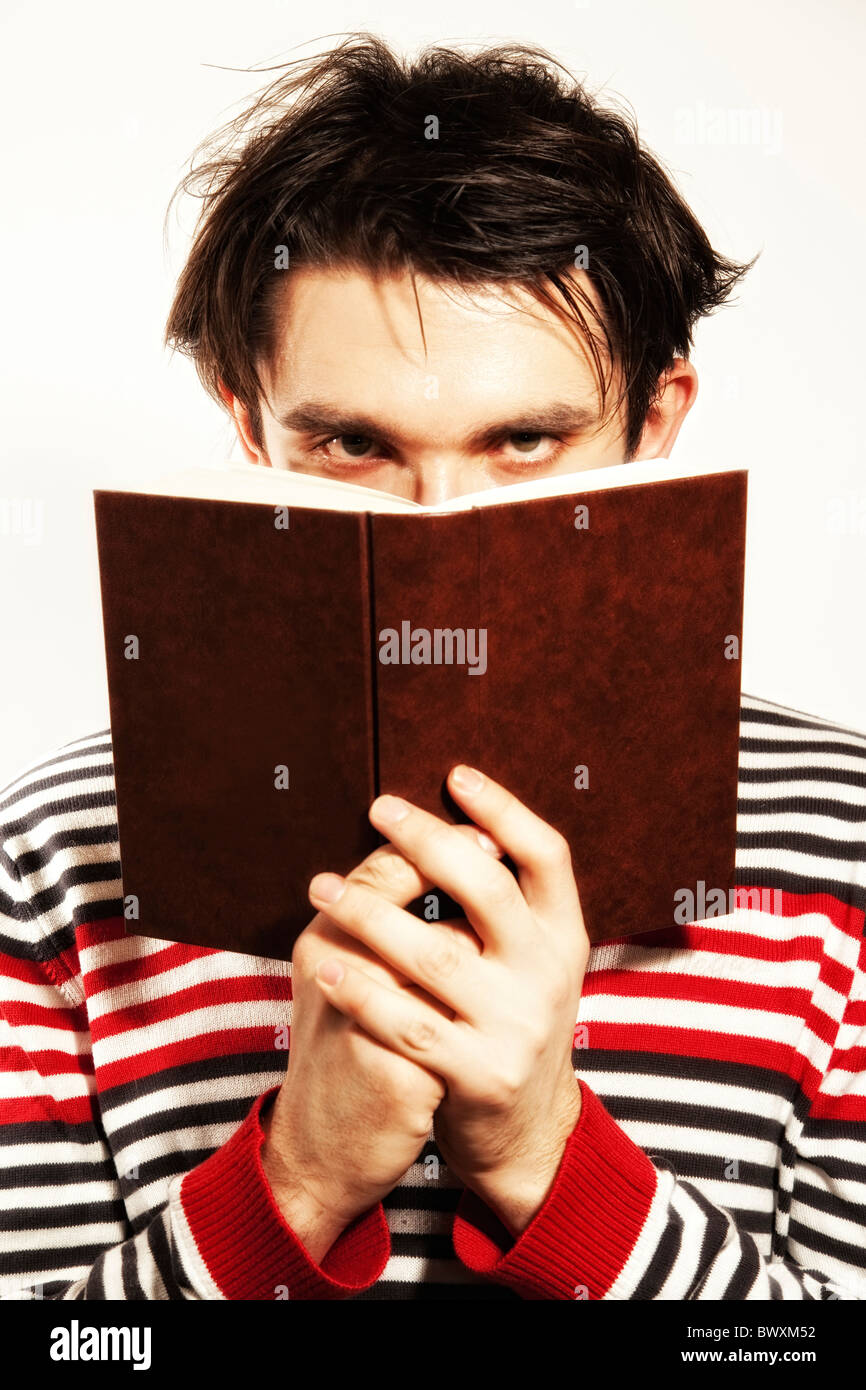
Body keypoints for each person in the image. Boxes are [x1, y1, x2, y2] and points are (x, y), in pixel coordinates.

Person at [2, 34, 864, 1302]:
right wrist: (298, 1175)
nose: (436, 525)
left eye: (524, 440)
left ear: (655, 424)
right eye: (351, 442)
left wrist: (541, 1155)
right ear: (248, 428)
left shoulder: (845, 844)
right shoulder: (55, 857)